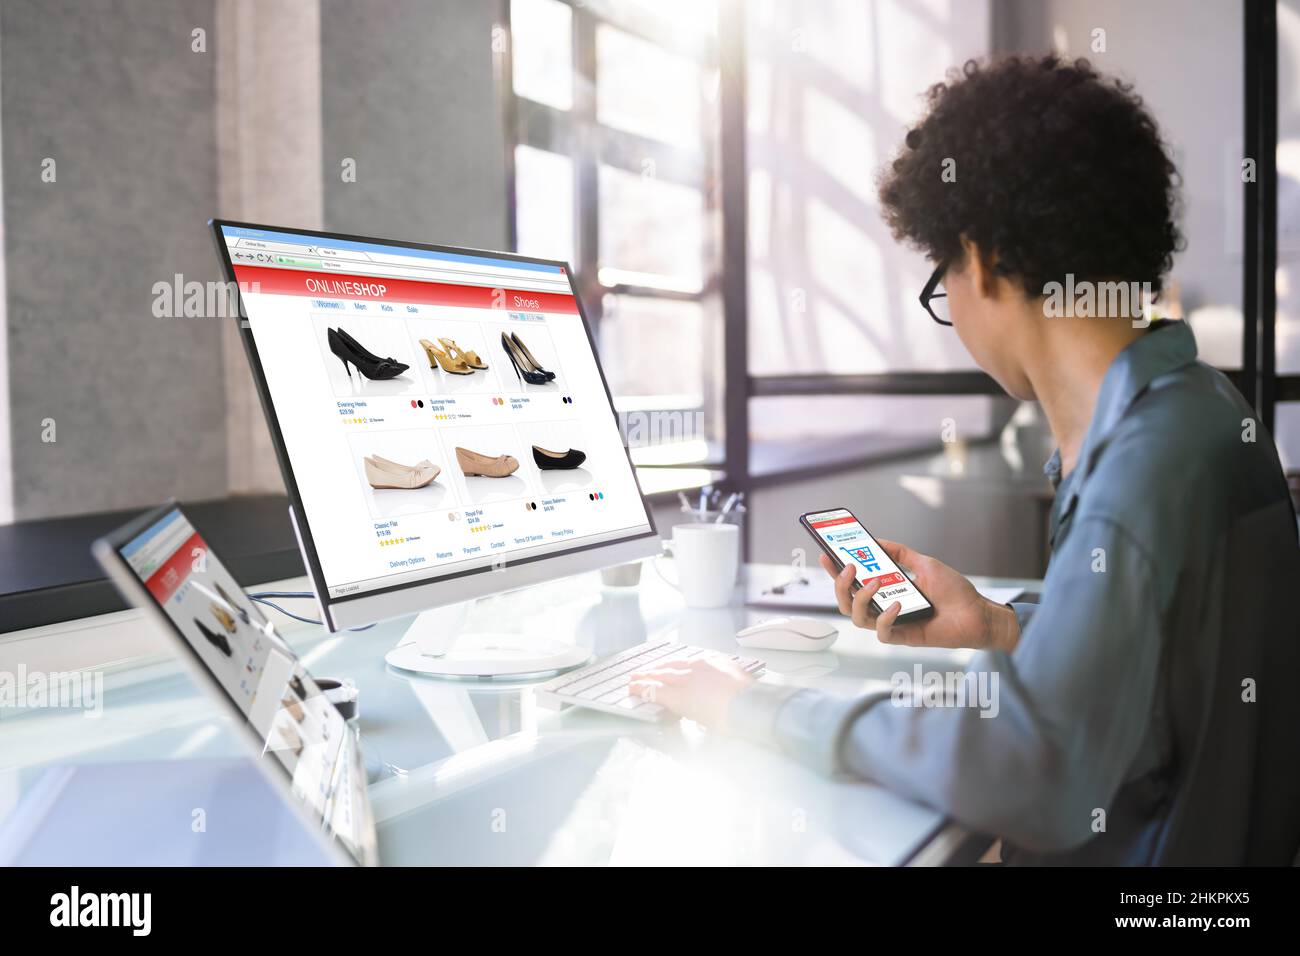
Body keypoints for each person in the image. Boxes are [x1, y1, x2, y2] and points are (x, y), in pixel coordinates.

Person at [629, 55, 1300, 865]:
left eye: (942, 278)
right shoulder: (1205, 411)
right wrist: (996, 626)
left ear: (977, 259)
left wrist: (760, 708)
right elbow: (1155, 690)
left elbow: (1028, 770)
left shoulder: (1137, 474)